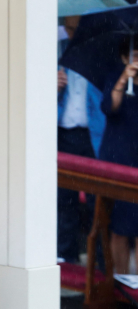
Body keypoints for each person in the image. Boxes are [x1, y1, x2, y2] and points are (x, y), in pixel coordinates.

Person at [56, 17, 97, 264]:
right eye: (68, 28)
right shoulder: (57, 47)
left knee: (97, 201)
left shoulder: (102, 51)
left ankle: (99, 264)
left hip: (94, 134)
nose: (71, 34)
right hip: (65, 132)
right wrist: (51, 86)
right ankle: (65, 257)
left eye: (75, 29)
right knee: (64, 199)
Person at [99, 37, 138, 274]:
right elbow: (108, 107)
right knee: (119, 227)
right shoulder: (115, 75)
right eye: (134, 55)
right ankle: (121, 285)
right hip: (118, 158)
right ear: (124, 58)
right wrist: (125, 78)